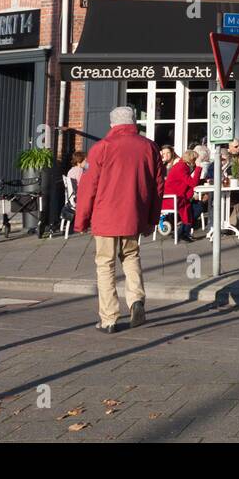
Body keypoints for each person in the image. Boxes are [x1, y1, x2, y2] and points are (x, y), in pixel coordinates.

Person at [74, 105, 164, 333]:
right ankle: (136, 301)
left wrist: (81, 220)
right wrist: (152, 218)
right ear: (134, 123)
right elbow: (158, 186)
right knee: (131, 256)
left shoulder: (102, 147)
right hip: (134, 214)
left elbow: (88, 186)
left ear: (112, 124)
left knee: (105, 264)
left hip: (105, 215)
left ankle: (109, 318)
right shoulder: (149, 147)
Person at [162, 150, 201, 242]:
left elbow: (188, 182)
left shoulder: (181, 166)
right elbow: (193, 183)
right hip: (172, 199)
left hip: (176, 197)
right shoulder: (181, 168)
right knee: (196, 207)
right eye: (195, 159)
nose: (195, 161)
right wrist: (198, 168)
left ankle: (182, 233)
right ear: (191, 160)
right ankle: (183, 233)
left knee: (195, 207)